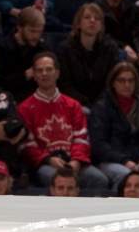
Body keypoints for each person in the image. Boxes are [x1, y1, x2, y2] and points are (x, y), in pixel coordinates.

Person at [18, 50, 107, 189]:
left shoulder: (73, 105)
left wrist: (76, 161)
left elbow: (82, 138)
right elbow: (28, 146)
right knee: (55, 180)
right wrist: (48, 159)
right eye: (40, 70)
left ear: (57, 73)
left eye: (49, 69)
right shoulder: (25, 108)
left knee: (99, 180)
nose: (44, 74)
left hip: (73, 162)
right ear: (34, 75)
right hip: (46, 165)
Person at [87, 60, 139, 194]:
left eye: (131, 81)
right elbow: (99, 145)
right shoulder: (101, 108)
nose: (127, 85)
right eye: (121, 80)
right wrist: (124, 161)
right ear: (113, 83)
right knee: (128, 177)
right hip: (110, 161)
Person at [57, 2, 122, 106]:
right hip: (73, 104)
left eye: (97, 18)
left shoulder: (110, 48)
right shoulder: (64, 49)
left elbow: (112, 82)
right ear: (78, 23)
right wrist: (84, 103)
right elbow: (64, 85)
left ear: (101, 26)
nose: (92, 20)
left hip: (103, 105)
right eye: (87, 17)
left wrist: (99, 104)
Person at [0, 6, 48, 100]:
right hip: (8, 101)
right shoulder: (0, 49)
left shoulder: (42, 50)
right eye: (32, 31)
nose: (36, 36)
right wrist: (25, 75)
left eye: (39, 32)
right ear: (19, 27)